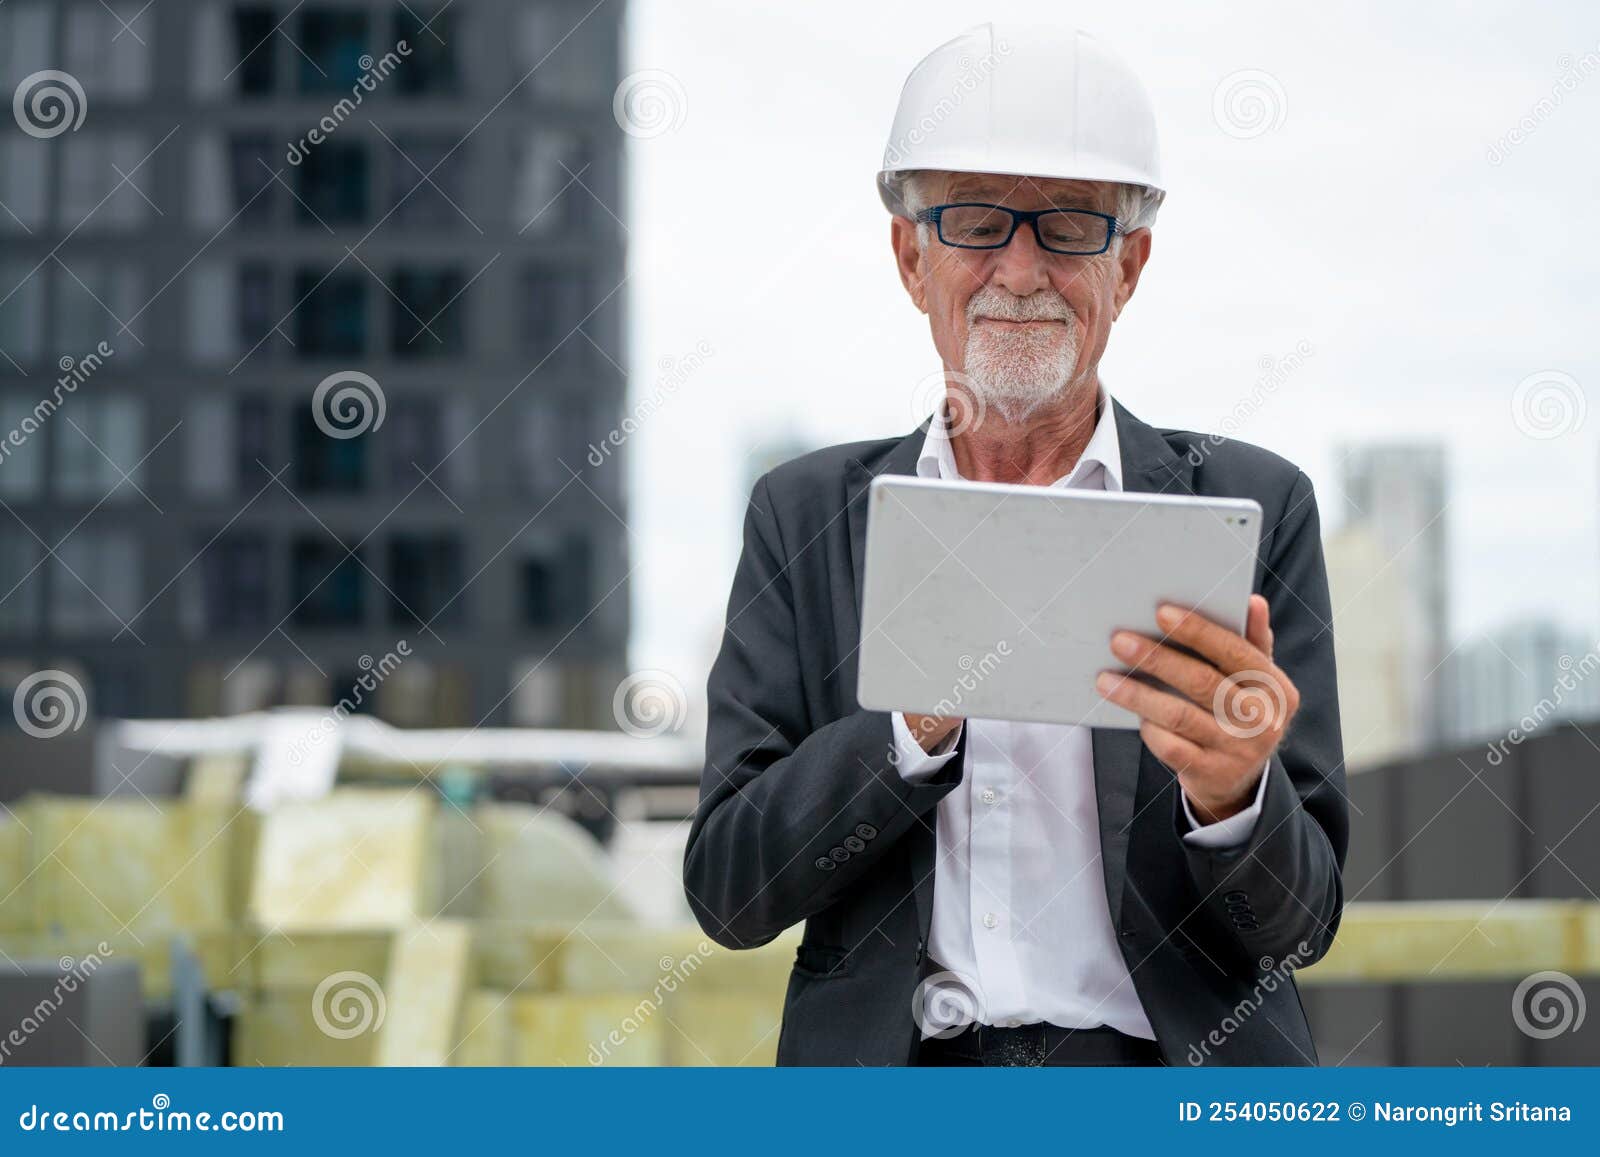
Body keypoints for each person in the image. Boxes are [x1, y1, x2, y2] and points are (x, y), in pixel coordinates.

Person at [683, 22, 1347, 1067]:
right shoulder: (805, 518)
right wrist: (908, 724)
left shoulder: (1250, 508)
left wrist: (1232, 796)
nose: (1022, 268)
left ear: (1127, 267)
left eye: (1071, 227)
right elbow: (728, 891)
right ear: (913, 256)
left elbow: (1300, 926)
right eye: (977, 221)